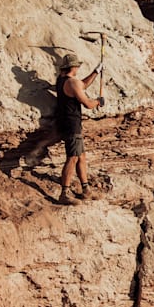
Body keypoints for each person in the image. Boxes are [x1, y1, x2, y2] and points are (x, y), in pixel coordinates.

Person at [55, 53, 104, 205]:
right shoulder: (72, 82)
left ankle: (86, 190)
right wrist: (98, 101)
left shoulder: (62, 80)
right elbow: (88, 104)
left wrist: (96, 72)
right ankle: (64, 193)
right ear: (74, 67)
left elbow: (82, 85)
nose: (78, 68)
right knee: (73, 158)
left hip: (66, 122)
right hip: (72, 125)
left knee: (81, 156)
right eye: (77, 66)